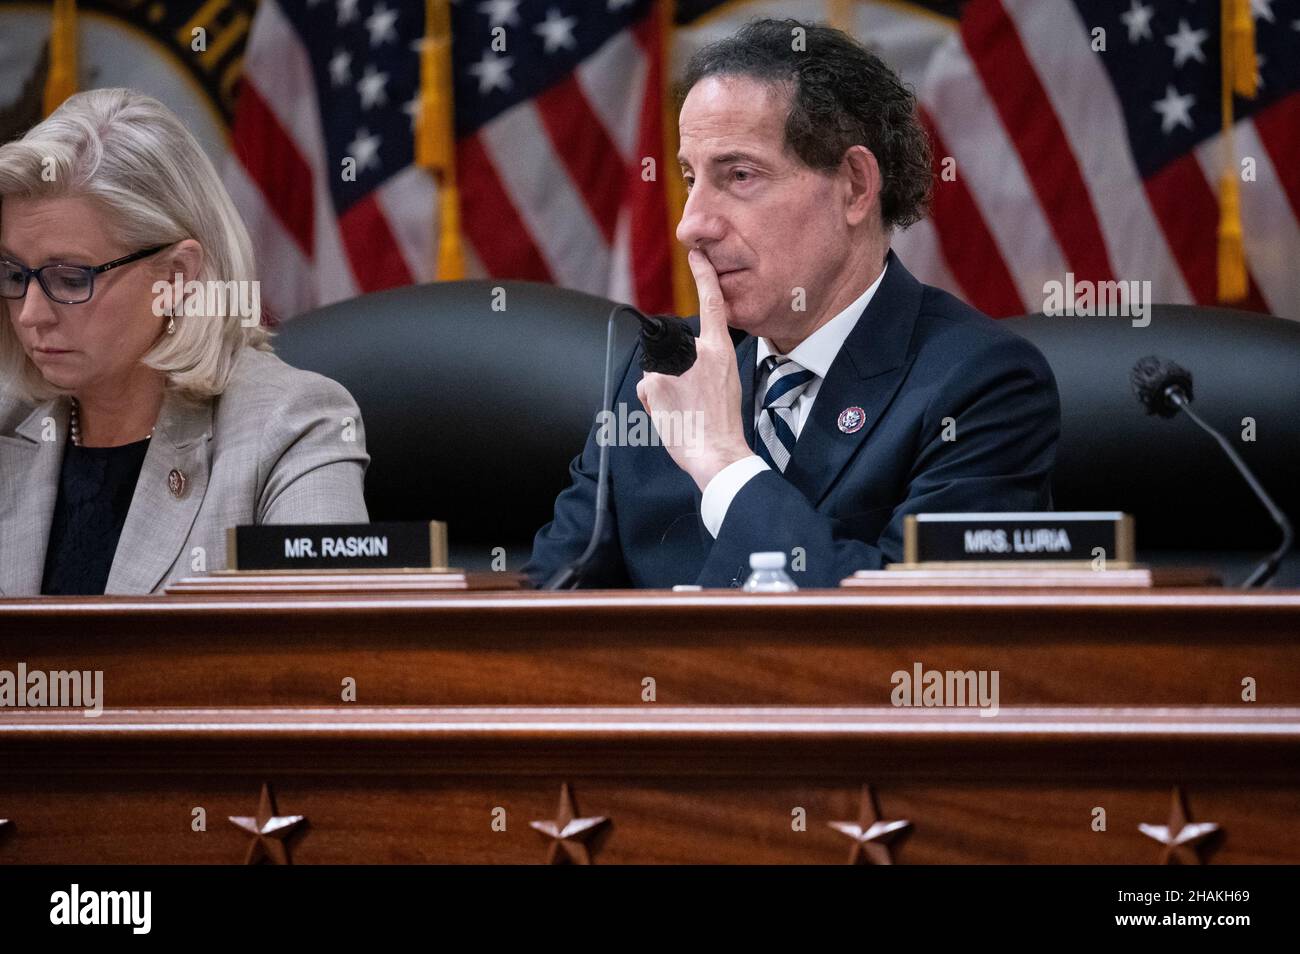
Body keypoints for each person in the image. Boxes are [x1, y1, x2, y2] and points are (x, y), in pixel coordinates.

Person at [526, 19, 1060, 589]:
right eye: (689, 178)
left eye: (738, 175)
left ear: (854, 186)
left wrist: (726, 465)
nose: (691, 225)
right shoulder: (661, 370)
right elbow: (547, 607)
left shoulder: (984, 386)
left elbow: (913, 625)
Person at [0, 89, 368, 596]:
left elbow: (321, 657)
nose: (30, 313)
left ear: (175, 276)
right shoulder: (7, 422)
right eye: (14, 273)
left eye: (69, 278)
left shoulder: (292, 427)